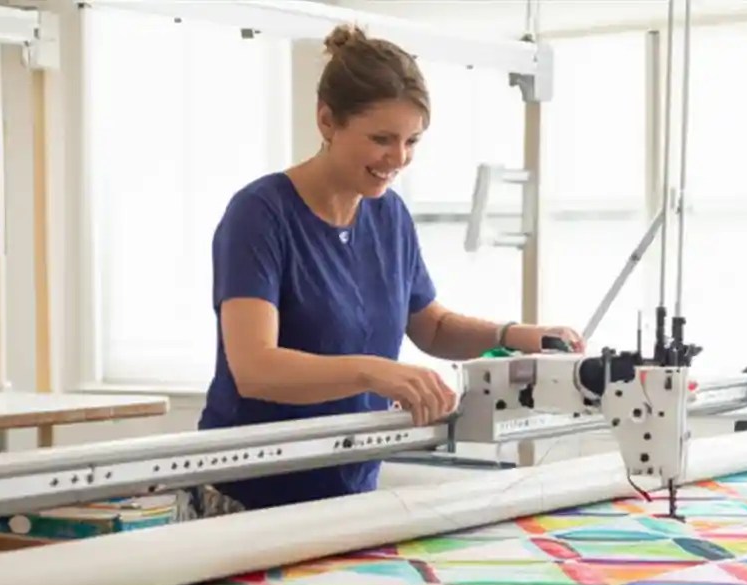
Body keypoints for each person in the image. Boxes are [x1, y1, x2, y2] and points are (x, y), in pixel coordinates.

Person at [195, 24, 584, 514]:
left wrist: (523, 334)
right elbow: (254, 368)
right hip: (244, 497)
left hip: (347, 494)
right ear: (326, 121)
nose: (397, 158)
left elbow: (432, 326)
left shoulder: (389, 215)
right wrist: (375, 373)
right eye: (382, 139)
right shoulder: (260, 214)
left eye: (412, 141)